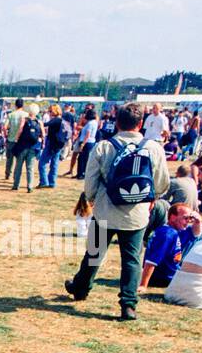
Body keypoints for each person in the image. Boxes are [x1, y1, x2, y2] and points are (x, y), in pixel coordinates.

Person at [64, 102, 170, 321]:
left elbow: (90, 182)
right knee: (131, 259)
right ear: (141, 124)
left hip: (106, 209)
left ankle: (80, 289)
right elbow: (161, 182)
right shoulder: (153, 148)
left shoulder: (104, 146)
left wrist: (94, 200)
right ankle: (128, 305)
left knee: (94, 253)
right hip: (136, 213)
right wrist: (152, 199)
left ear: (117, 123)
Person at [10, 104, 41, 193]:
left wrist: (16, 139)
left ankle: (16, 185)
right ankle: (30, 186)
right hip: (33, 146)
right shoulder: (38, 121)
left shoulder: (25, 120)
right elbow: (42, 133)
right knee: (30, 168)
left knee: (18, 166)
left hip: (22, 146)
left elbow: (20, 130)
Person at [37, 105, 69, 189]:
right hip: (59, 144)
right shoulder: (63, 121)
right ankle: (52, 182)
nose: (49, 113)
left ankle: (44, 181)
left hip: (51, 144)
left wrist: (39, 121)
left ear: (55, 111)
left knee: (42, 163)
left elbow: (45, 124)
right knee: (54, 164)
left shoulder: (56, 120)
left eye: (50, 111)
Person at [3, 98, 27, 182]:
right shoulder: (26, 115)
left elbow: (5, 127)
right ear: (22, 105)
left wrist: (6, 135)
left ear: (15, 105)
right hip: (21, 141)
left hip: (11, 139)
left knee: (9, 159)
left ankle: (7, 174)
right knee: (19, 160)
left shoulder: (11, 115)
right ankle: (16, 176)